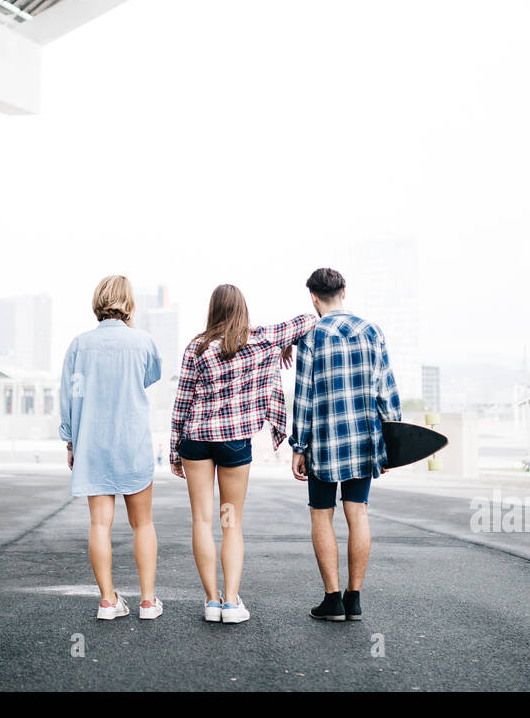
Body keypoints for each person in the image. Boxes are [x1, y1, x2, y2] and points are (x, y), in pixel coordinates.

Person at [170, 284, 315, 624]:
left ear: (213, 310)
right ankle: (232, 603)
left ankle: (211, 601)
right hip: (234, 440)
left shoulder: (197, 346)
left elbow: (182, 402)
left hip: (196, 439)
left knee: (202, 521)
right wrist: (284, 344)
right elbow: (308, 319)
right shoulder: (261, 339)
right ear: (242, 310)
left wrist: (175, 450)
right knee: (230, 521)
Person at [290, 267, 400, 622]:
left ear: (313, 297)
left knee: (322, 515)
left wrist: (298, 445)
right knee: (358, 513)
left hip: (323, 442)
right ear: (344, 292)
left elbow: (303, 394)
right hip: (364, 439)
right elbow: (386, 390)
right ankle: (355, 598)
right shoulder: (372, 332)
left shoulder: (312, 334)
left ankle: (332, 600)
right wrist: (392, 443)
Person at [59, 275, 164, 621]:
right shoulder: (142, 341)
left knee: (99, 525)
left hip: (93, 444)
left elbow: (69, 398)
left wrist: (70, 440)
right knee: (143, 524)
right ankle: (148, 601)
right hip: (131, 444)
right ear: (129, 304)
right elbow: (149, 377)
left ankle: (108, 600)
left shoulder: (79, 345)